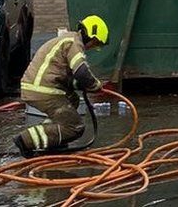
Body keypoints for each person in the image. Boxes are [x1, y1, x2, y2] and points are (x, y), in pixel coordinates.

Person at [13, 15, 108, 157]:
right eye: (95, 43)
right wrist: (96, 85)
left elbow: (68, 76)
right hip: (43, 90)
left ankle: (54, 140)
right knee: (75, 127)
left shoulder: (67, 40)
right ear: (90, 35)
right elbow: (81, 72)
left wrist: (79, 84)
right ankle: (26, 139)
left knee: (73, 100)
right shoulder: (74, 43)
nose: (92, 47)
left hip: (38, 87)